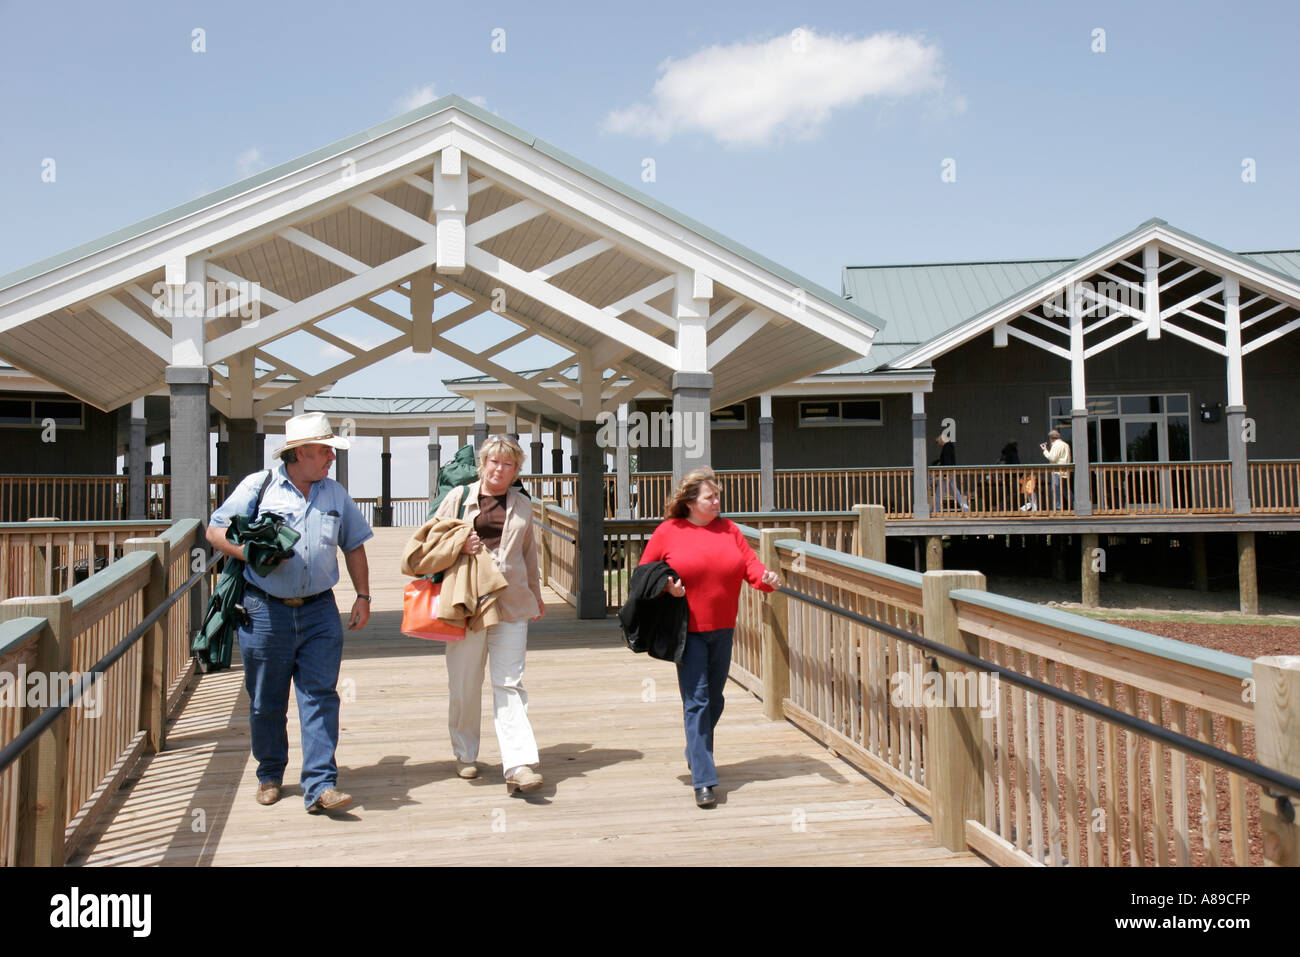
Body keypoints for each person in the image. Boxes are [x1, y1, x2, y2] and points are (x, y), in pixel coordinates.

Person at [207, 412, 372, 815]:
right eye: (323, 451)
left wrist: (363, 595)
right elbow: (214, 530)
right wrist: (251, 553)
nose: (330, 458)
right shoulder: (259, 486)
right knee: (267, 700)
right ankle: (270, 773)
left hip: (319, 611)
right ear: (299, 453)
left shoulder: (335, 493)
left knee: (319, 696)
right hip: (265, 611)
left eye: (331, 451)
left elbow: (354, 545)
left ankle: (320, 784)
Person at [639, 467, 779, 809]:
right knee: (698, 701)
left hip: (723, 628)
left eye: (717, 496)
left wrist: (766, 579)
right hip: (686, 631)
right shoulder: (668, 531)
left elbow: (751, 566)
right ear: (690, 502)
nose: (716, 502)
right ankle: (704, 780)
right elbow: (643, 574)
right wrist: (667, 587)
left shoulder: (729, 530)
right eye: (709, 497)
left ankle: (694, 748)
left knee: (714, 700)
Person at [430, 436, 547, 795]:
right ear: (483, 464)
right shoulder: (457, 498)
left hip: (511, 603)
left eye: (508, 464)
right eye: (494, 462)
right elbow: (429, 542)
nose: (500, 469)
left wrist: (536, 596)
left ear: (516, 471)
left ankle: (518, 763)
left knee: (510, 682)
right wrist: (459, 545)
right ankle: (465, 753)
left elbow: (528, 555)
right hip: (466, 602)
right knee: (464, 683)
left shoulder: (523, 505)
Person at [931, 435, 970, 512]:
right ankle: (966, 509)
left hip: (946, 472)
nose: (938, 444)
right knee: (956, 492)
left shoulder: (946, 448)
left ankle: (935, 510)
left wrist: (945, 474)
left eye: (938, 442)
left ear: (943, 440)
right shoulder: (949, 447)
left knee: (939, 493)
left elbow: (947, 461)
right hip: (950, 472)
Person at [1041, 429, 1071, 510]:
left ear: (1051, 438)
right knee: (1065, 491)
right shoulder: (1065, 445)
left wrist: (1045, 450)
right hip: (1065, 472)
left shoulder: (1056, 445)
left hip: (1058, 472)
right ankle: (1074, 504)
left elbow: (1052, 458)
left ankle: (1058, 508)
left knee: (1055, 491)